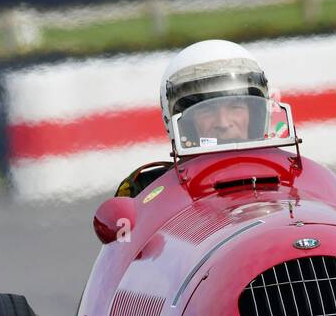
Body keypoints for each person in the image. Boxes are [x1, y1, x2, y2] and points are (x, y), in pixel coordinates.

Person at [116, 39, 274, 197]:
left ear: (255, 114)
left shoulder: (292, 170)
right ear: (185, 123)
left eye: (235, 107)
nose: (223, 123)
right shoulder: (143, 192)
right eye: (206, 110)